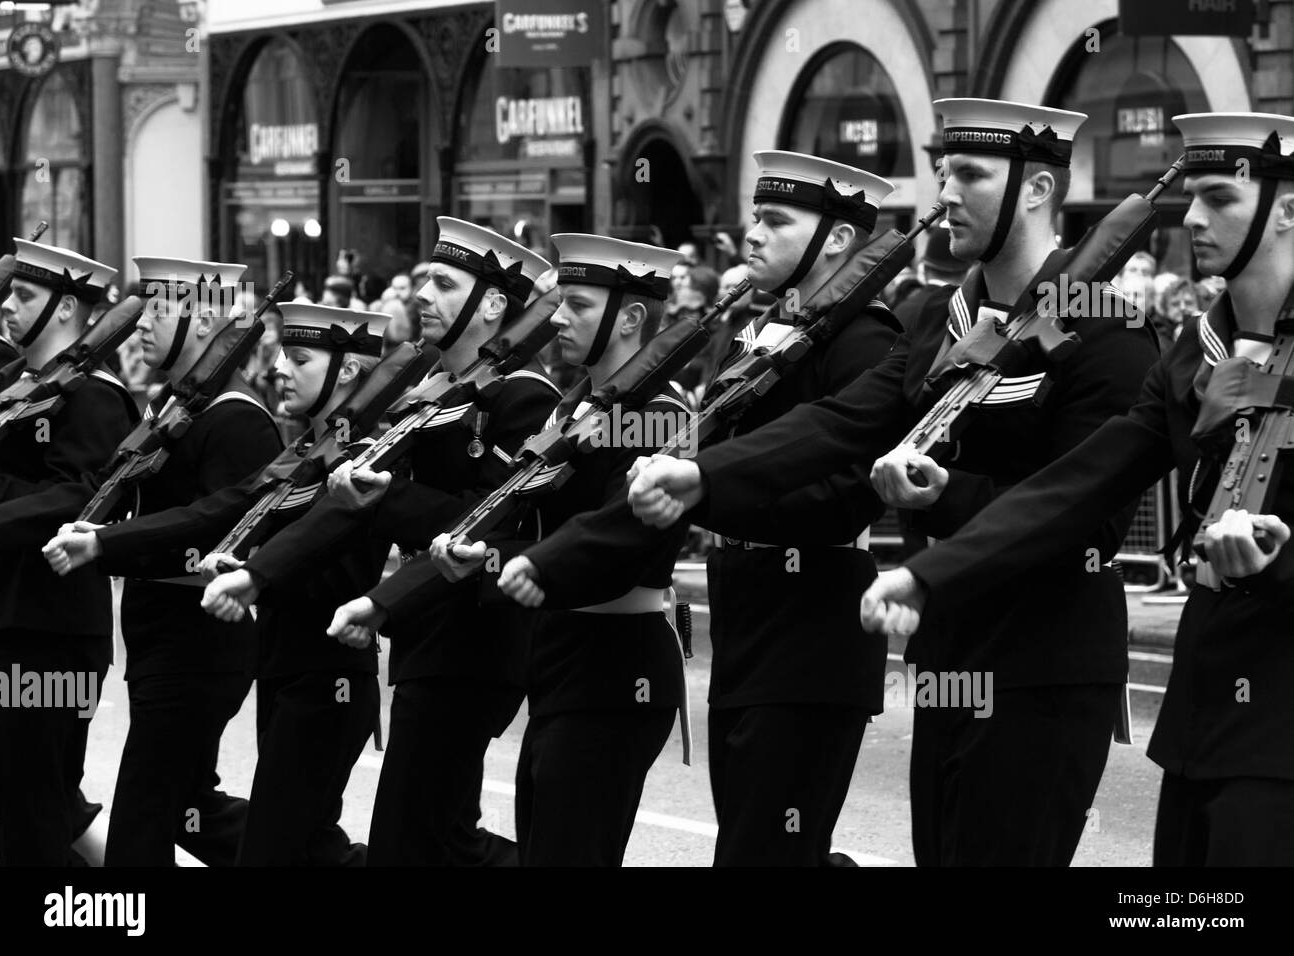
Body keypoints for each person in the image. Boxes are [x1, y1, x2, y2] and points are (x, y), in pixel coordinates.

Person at [628, 100, 1163, 866]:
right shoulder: (942, 316)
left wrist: (941, 495)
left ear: (1038, 190)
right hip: (947, 647)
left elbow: (1088, 515)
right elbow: (844, 420)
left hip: (1043, 658)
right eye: (943, 173)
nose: (945, 193)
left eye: (970, 175)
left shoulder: (1103, 327)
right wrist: (699, 472)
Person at [857, 111, 1294, 866]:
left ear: (1287, 209)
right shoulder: (1196, 352)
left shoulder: (1115, 333)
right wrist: (927, 573)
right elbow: (1077, 484)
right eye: (1191, 194)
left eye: (1219, 197)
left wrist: (1282, 558)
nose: (1190, 216)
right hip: (1205, 719)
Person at [506, 150, 902, 866]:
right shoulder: (765, 331)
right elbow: (705, 449)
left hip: (813, 623)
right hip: (749, 612)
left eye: (775, 220)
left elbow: (841, 498)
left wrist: (708, 496)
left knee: (767, 850)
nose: (752, 233)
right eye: (755, 215)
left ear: (838, 241)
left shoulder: (865, 337)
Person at [203, 217, 560, 866]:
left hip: (476, 647)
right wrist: (260, 574)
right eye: (424, 280)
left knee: (408, 841)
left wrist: (380, 512)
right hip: (425, 640)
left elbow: (488, 519)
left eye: (444, 284)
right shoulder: (427, 396)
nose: (422, 295)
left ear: (495, 306)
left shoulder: (523, 399)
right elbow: (348, 509)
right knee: (439, 840)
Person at [47, 304, 397, 866]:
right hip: (284, 664)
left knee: (268, 842)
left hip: (328, 674)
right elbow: (227, 507)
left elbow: (329, 562)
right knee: (275, 840)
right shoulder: (303, 456)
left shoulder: (365, 462)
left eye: (298, 357)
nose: (279, 367)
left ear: (349, 372)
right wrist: (111, 540)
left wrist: (256, 573)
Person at [410, 235, 691, 866]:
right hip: (560, 654)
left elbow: (623, 542)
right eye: (560, 301)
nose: (558, 317)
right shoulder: (579, 407)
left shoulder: (660, 415)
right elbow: (534, 521)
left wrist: (513, 562)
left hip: (620, 662)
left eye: (579, 305)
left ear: (633, 317)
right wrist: (481, 552)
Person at [15, 257, 280, 866]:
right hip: (161, 636)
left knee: (142, 822)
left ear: (206, 317)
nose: (141, 325)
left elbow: (216, 520)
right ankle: (294, 849)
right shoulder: (173, 408)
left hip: (200, 641)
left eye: (159, 310)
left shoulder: (238, 418)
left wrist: (107, 543)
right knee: (187, 809)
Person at [0, 238, 136, 866]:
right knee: (19, 803)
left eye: (24, 296)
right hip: (9, 620)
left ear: (68, 310)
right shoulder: (16, 384)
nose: (6, 308)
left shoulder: (93, 395)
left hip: (48, 632)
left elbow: (80, 495)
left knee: (35, 807)